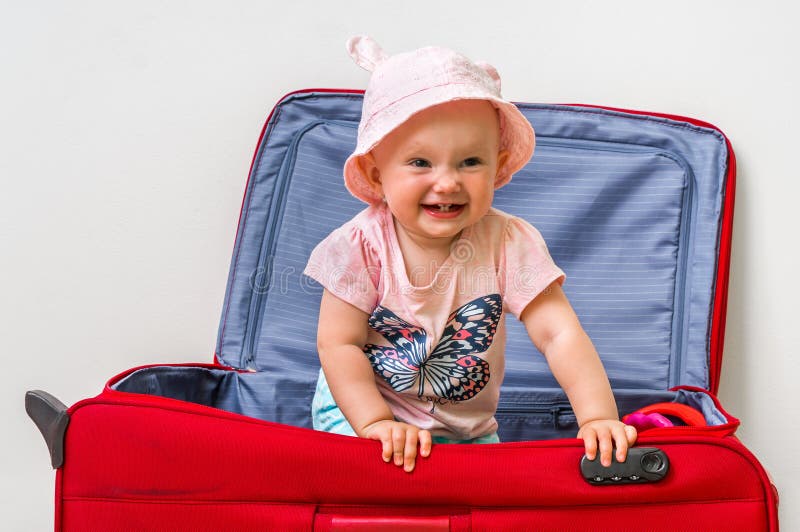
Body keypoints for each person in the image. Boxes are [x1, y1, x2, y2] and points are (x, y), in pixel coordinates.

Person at [303, 36, 637, 473]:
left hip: (468, 427)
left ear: (498, 168)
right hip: (362, 410)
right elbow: (338, 343)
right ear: (375, 172)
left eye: (470, 162)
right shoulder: (361, 245)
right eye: (420, 162)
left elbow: (559, 334)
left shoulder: (507, 242)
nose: (447, 183)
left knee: (486, 501)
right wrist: (376, 422)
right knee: (380, 482)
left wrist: (597, 416)